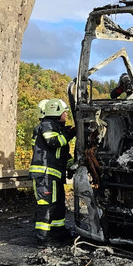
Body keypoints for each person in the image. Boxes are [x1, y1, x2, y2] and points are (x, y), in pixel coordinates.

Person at [30, 98, 76, 245]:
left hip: (54, 175)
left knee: (58, 206)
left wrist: (72, 166)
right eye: (64, 113)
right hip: (45, 174)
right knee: (46, 205)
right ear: (56, 112)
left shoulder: (54, 127)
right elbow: (54, 143)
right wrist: (71, 133)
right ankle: (42, 238)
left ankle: (59, 234)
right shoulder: (47, 125)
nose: (66, 115)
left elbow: (62, 155)